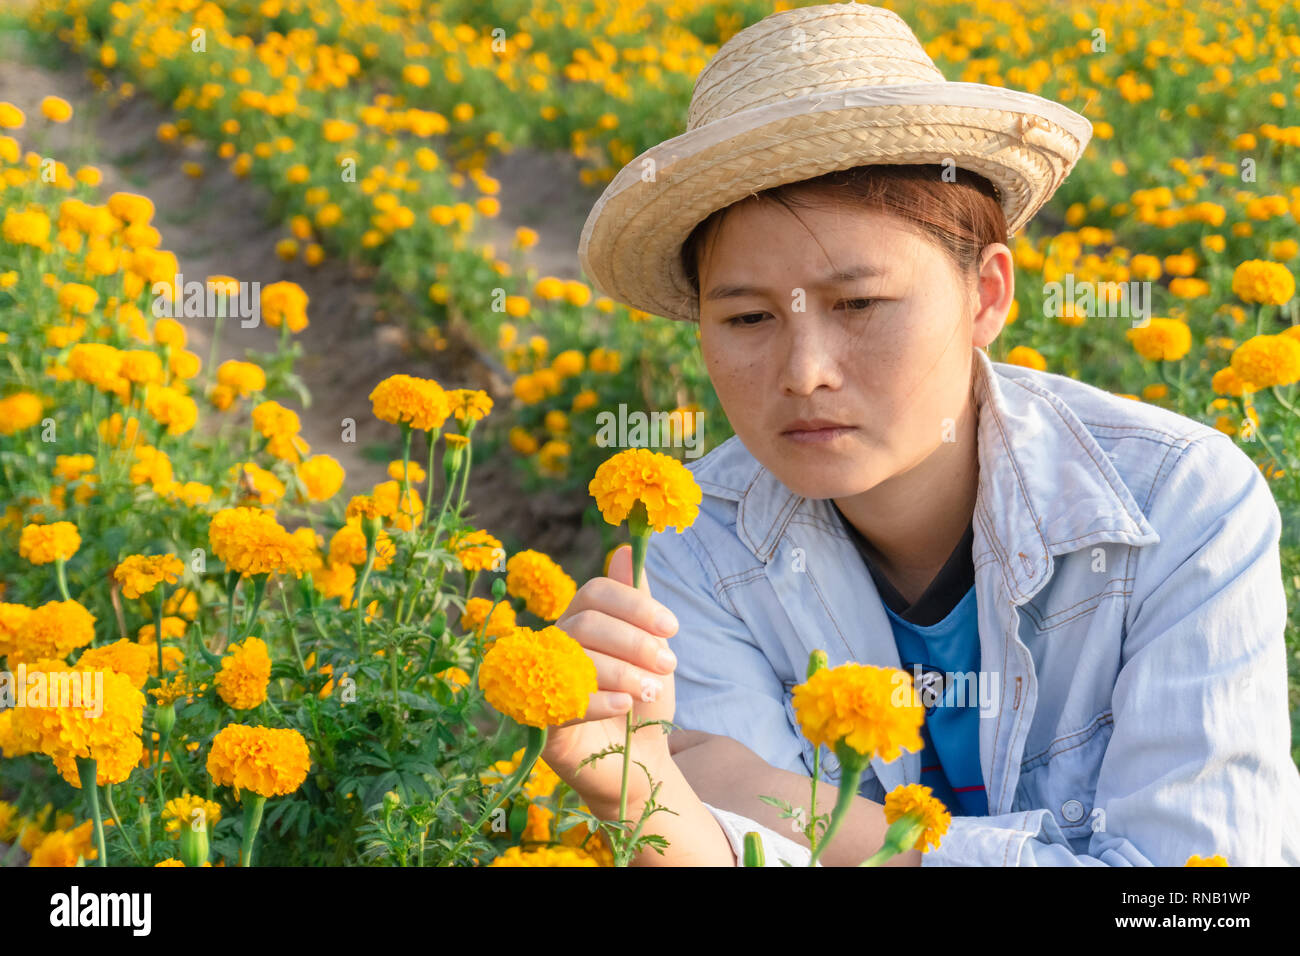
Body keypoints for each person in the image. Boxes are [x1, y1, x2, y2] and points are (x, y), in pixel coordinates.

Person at [540, 2, 1300, 866]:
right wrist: (640, 797)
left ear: (986, 296)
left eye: (859, 303)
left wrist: (776, 801)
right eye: (749, 317)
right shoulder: (689, 550)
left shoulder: (1181, 505)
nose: (804, 372)